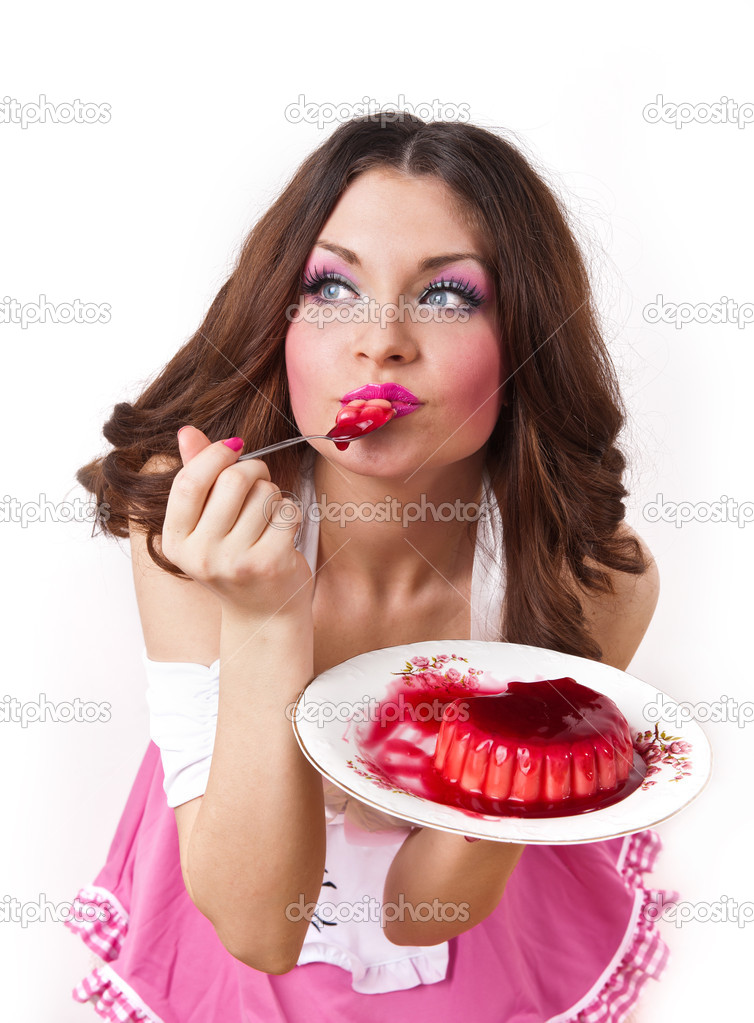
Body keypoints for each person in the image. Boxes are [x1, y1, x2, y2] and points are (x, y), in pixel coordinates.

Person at [66, 112, 675, 1022]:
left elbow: (428, 911)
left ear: (523, 344)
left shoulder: (596, 580)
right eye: (334, 286)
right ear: (281, 317)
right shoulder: (191, 516)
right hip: (232, 850)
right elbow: (260, 926)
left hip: (469, 926)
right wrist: (268, 618)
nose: (381, 338)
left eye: (447, 297)